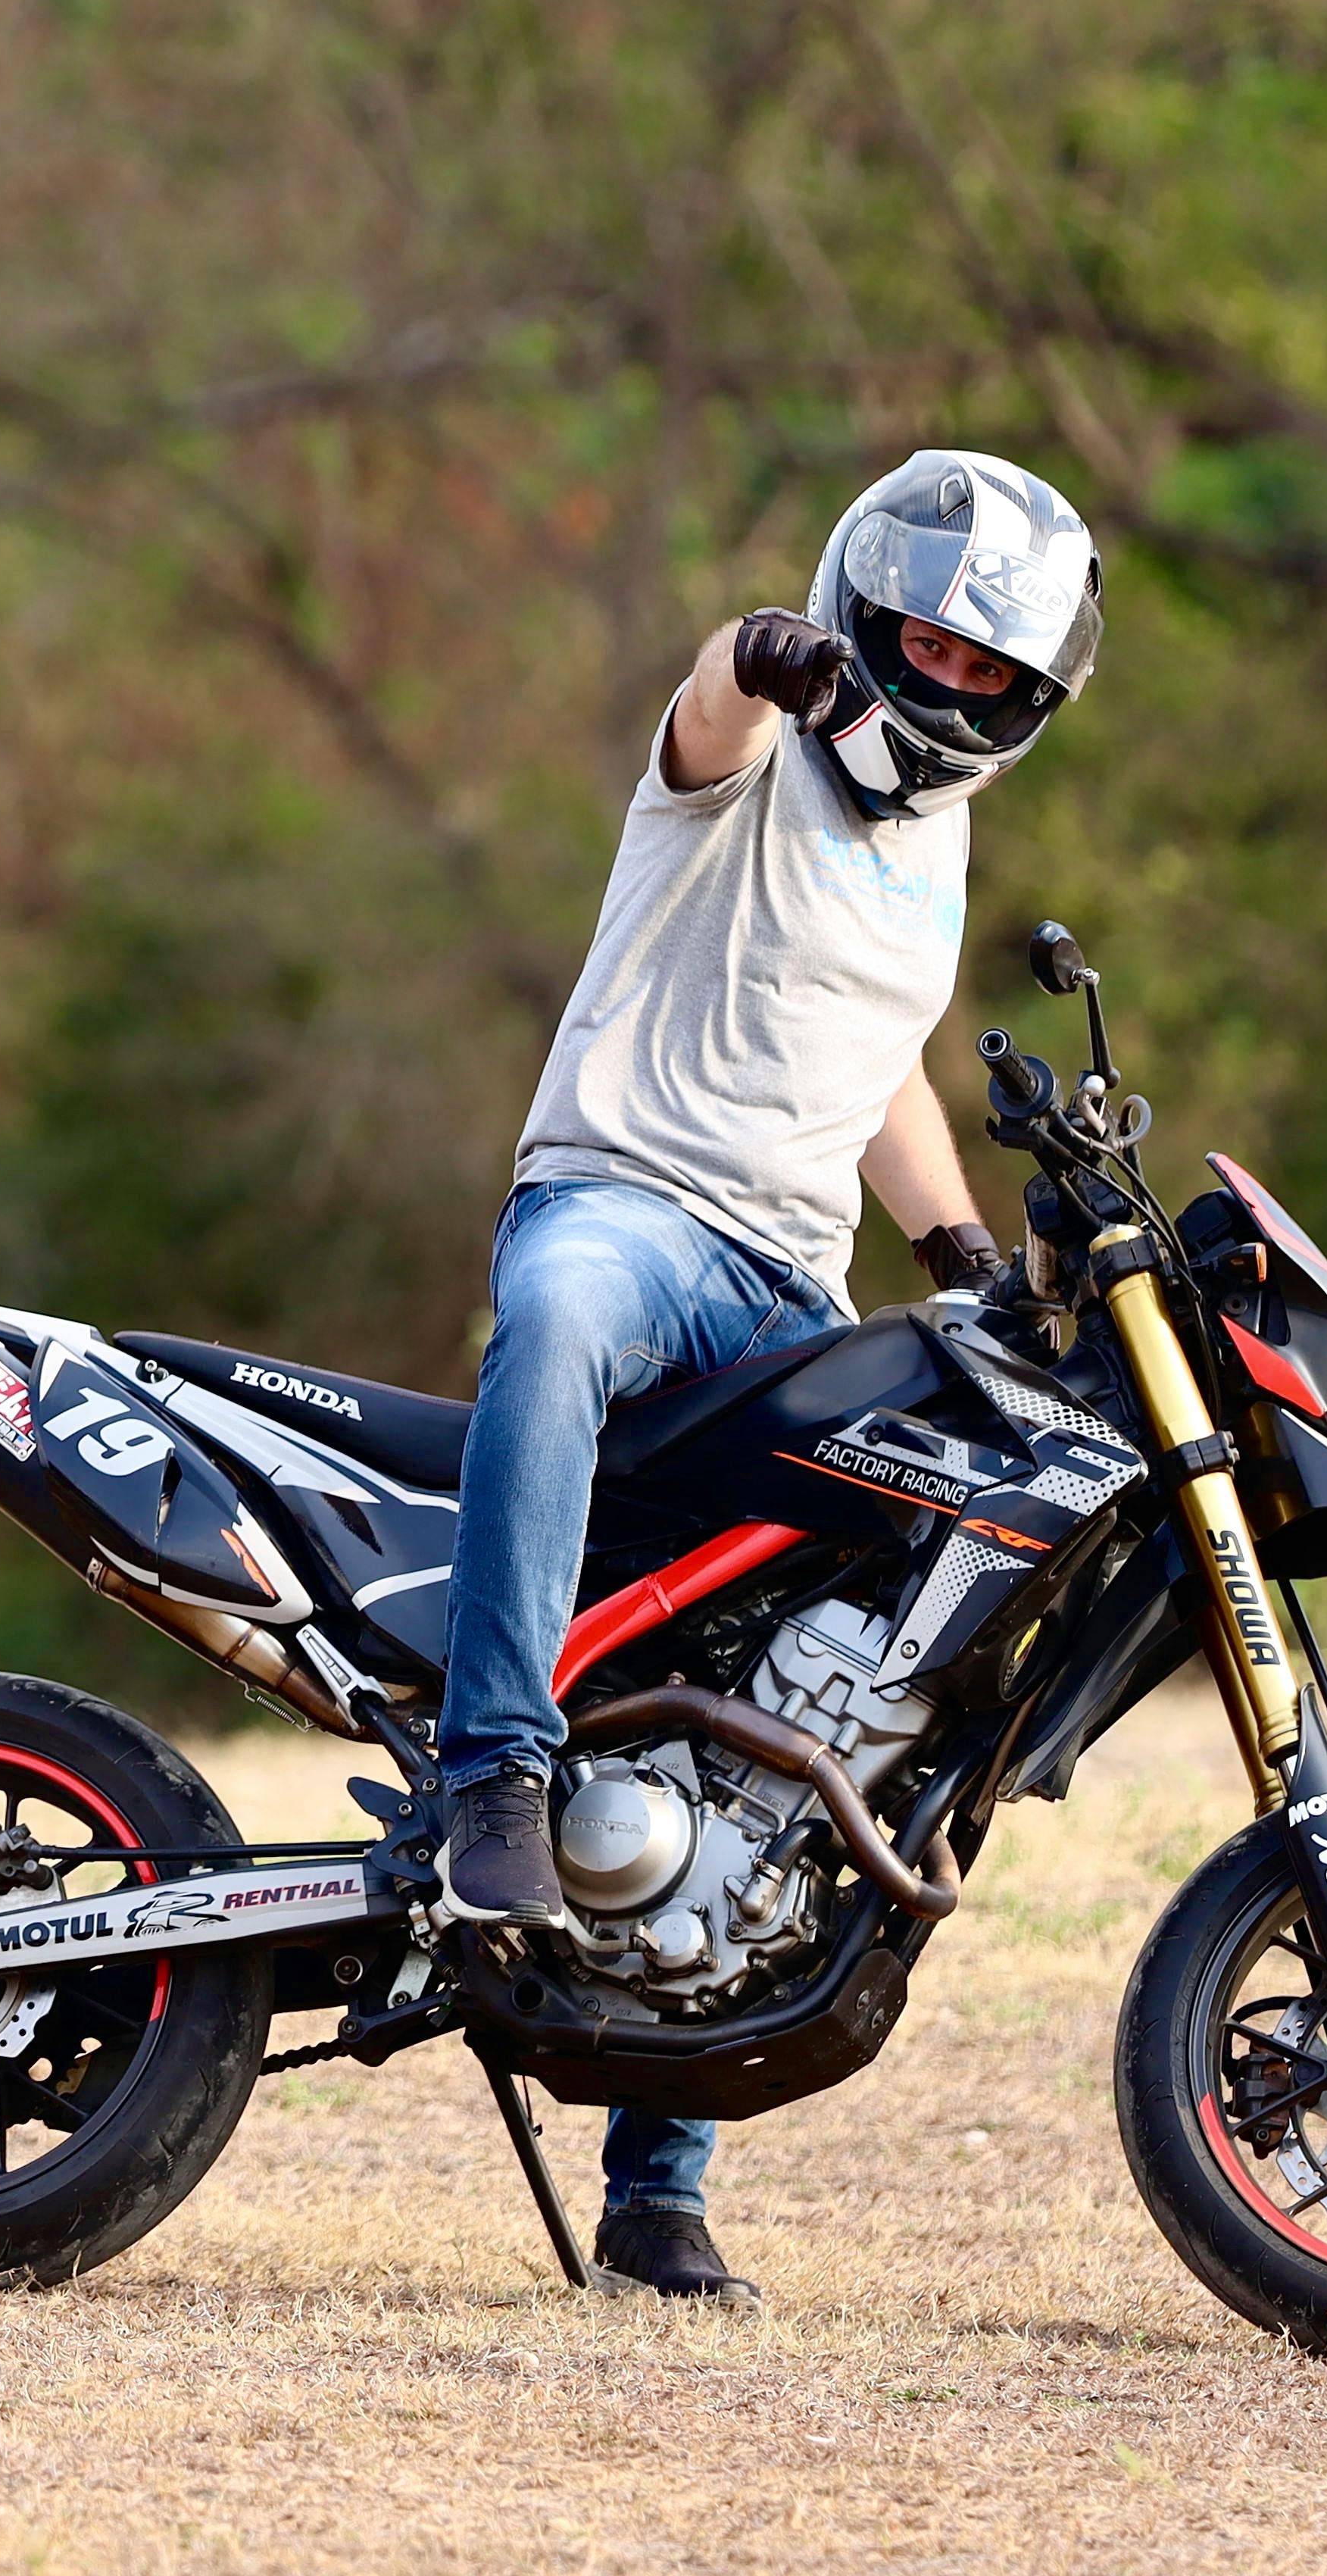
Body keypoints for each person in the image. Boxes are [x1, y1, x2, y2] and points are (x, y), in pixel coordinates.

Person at [432, 451, 1103, 2305]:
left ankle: (666, 2176)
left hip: (790, 1278)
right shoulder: (753, 755)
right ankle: (492, 1775)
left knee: (801, 1683)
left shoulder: (933, 845)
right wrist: (770, 655)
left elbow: (874, 1057)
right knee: (553, 1322)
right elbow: (704, 712)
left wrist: (959, 1253)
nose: (947, 687)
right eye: (921, 644)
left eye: (992, 674)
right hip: (626, 1209)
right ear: (858, 610)